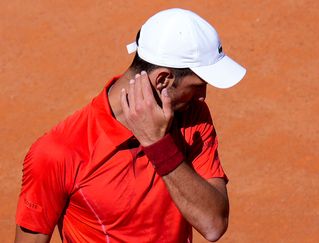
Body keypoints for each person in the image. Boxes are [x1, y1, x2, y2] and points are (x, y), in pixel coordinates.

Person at [14, 8, 246, 243]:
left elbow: (213, 224)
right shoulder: (57, 153)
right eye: (198, 85)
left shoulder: (193, 117)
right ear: (163, 80)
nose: (202, 96)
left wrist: (158, 145)